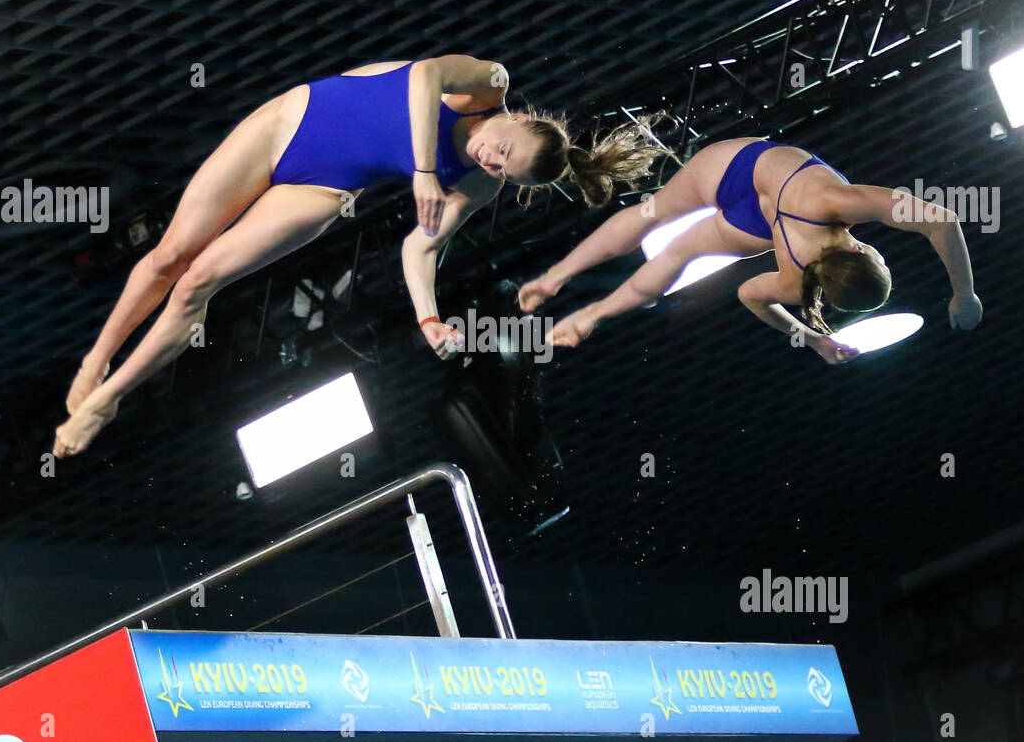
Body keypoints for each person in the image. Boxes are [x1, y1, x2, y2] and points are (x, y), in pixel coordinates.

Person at [54, 55, 667, 457]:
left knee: (200, 284)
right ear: (520, 118)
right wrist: (425, 170)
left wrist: (428, 316)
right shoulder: (490, 85)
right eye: (502, 150)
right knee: (170, 258)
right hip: (290, 123)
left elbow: (422, 245)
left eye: (503, 170)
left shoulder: (478, 185)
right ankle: (97, 360)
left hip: (323, 189)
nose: (491, 161)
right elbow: (423, 76)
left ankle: (111, 399)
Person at [518, 137, 982, 361]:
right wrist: (815, 338)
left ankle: (558, 275)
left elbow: (941, 221)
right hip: (753, 229)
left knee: (652, 215)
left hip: (743, 174)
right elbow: (749, 297)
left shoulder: (839, 203)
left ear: (864, 255)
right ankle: (592, 315)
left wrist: (963, 294)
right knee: (677, 257)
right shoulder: (798, 283)